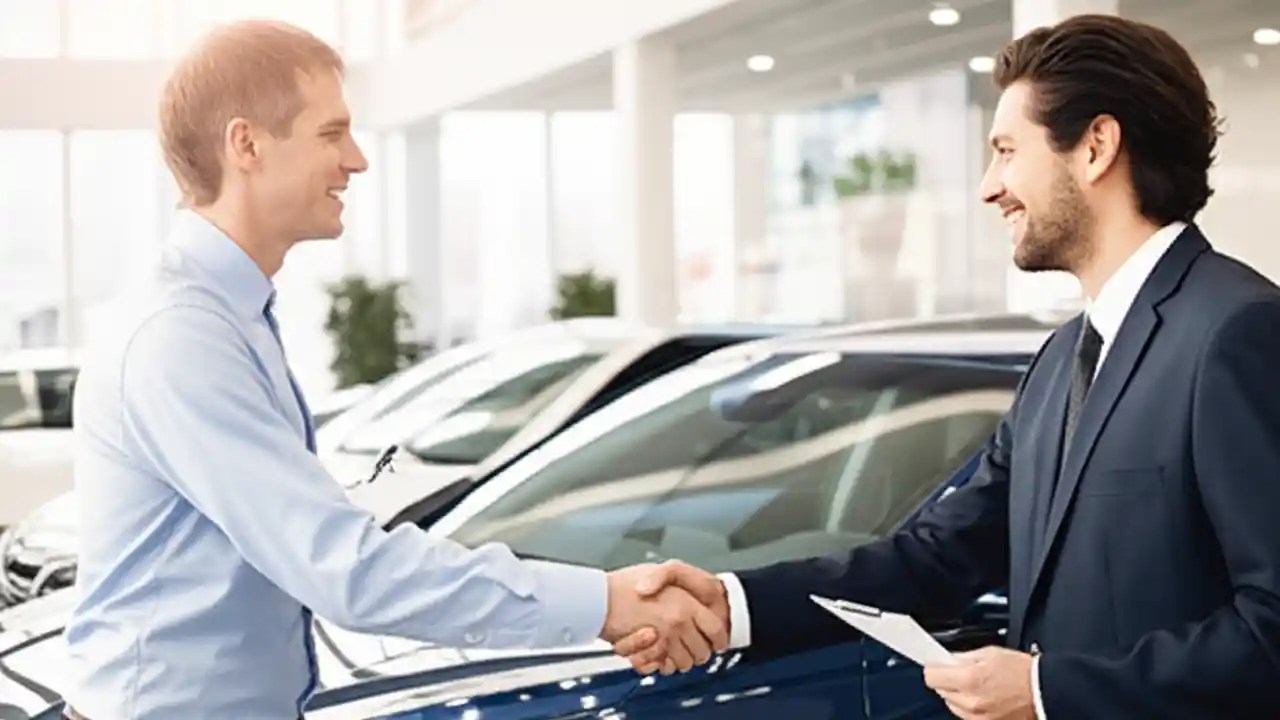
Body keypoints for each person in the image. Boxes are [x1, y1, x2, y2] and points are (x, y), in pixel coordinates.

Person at [614, 14, 1280, 719]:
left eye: (1006, 150)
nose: (989, 187)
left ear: (1096, 147)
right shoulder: (1062, 360)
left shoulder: (1237, 332)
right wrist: (730, 604)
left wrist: (1045, 689)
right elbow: (935, 559)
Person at [62, 20, 724, 720]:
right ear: (246, 144)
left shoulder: (225, 315)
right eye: (331, 133)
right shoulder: (181, 336)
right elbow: (344, 570)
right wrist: (607, 602)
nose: (355, 160)